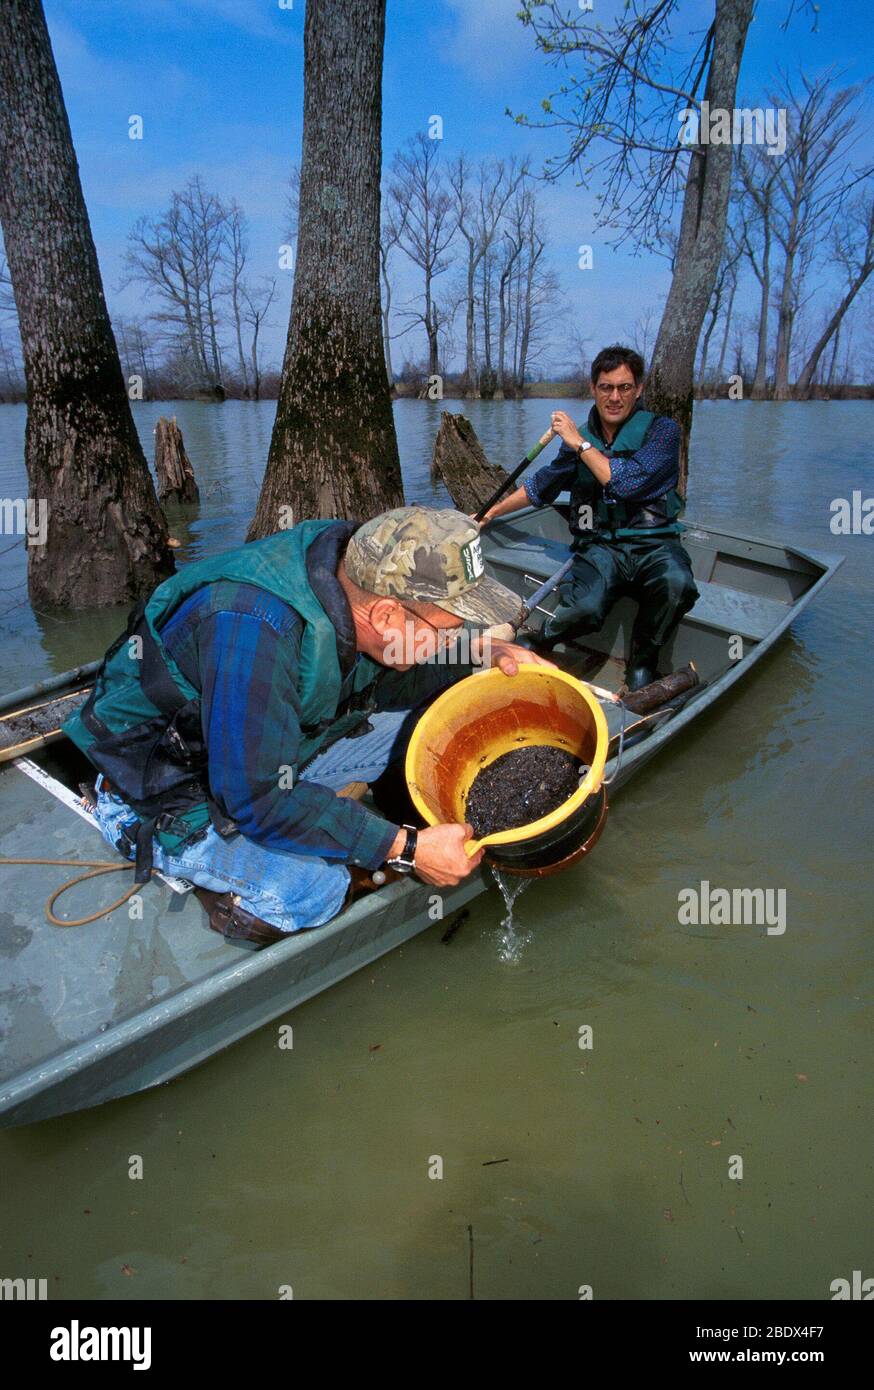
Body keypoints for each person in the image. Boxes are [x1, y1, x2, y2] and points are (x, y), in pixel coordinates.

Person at [63, 507, 551, 946]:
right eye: (449, 630)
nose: (455, 636)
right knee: (315, 891)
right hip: (169, 792)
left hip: (262, 753)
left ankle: (334, 835)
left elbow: (389, 680)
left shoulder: (350, 581)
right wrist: (405, 849)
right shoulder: (254, 630)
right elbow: (255, 798)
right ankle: (222, 890)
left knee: (422, 732)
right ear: (385, 614)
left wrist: (478, 655)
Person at [477, 345, 699, 690]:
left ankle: (643, 662)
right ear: (593, 389)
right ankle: (544, 639)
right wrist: (490, 513)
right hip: (600, 546)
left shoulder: (662, 432)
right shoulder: (579, 438)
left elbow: (624, 482)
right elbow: (542, 485)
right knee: (587, 607)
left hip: (654, 543)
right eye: (606, 387)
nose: (614, 397)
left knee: (678, 585)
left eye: (624, 387)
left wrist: (580, 443)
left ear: (638, 389)